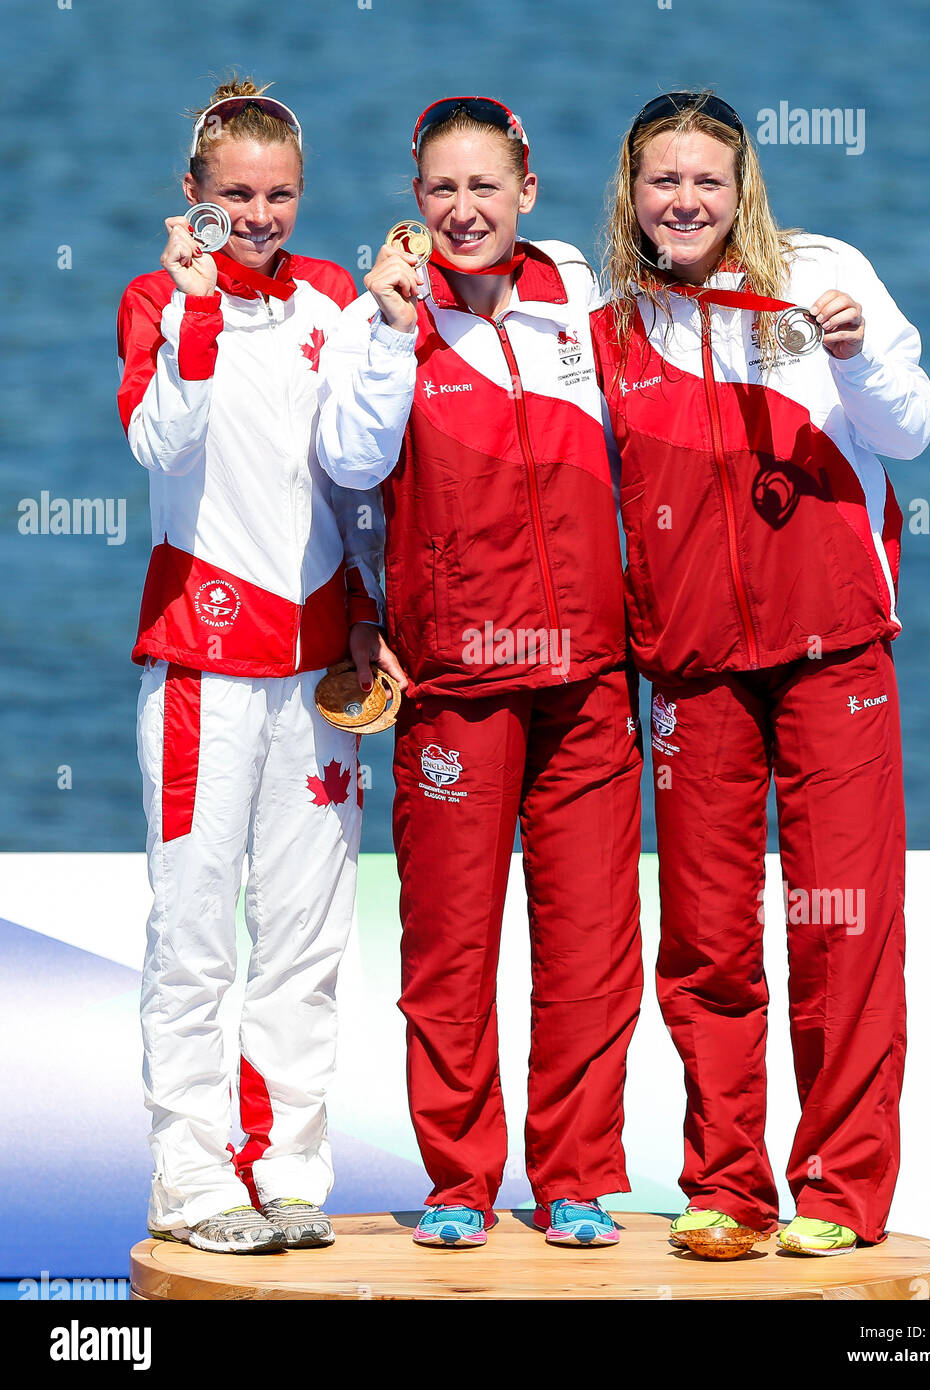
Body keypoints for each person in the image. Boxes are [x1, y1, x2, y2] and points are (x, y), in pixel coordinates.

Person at [591, 91, 930, 1256]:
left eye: (707, 181)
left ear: (744, 190)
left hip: (833, 653)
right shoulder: (609, 319)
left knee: (840, 927)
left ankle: (838, 1190)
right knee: (707, 941)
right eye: (662, 182)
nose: (685, 201)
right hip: (691, 672)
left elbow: (911, 428)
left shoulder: (821, 273)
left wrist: (862, 352)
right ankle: (727, 1186)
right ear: (631, 195)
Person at [316, 96, 644, 1248]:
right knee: (450, 953)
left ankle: (577, 1177)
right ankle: (459, 1178)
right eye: (441, 191)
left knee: (593, 947)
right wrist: (394, 324)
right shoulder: (386, 323)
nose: (464, 211)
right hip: (457, 681)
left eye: (484, 189)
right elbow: (352, 460)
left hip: (590, 680)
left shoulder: (580, 297)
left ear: (528, 193)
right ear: (416, 204)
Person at [117, 77, 377, 1254]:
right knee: (196, 933)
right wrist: (196, 310)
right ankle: (190, 1174)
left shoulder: (334, 296)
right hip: (202, 663)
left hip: (319, 666)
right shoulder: (151, 300)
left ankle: (288, 1171)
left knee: (311, 936)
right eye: (235, 195)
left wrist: (370, 613)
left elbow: (356, 475)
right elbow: (158, 441)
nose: (259, 215)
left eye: (277, 196)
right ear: (194, 196)